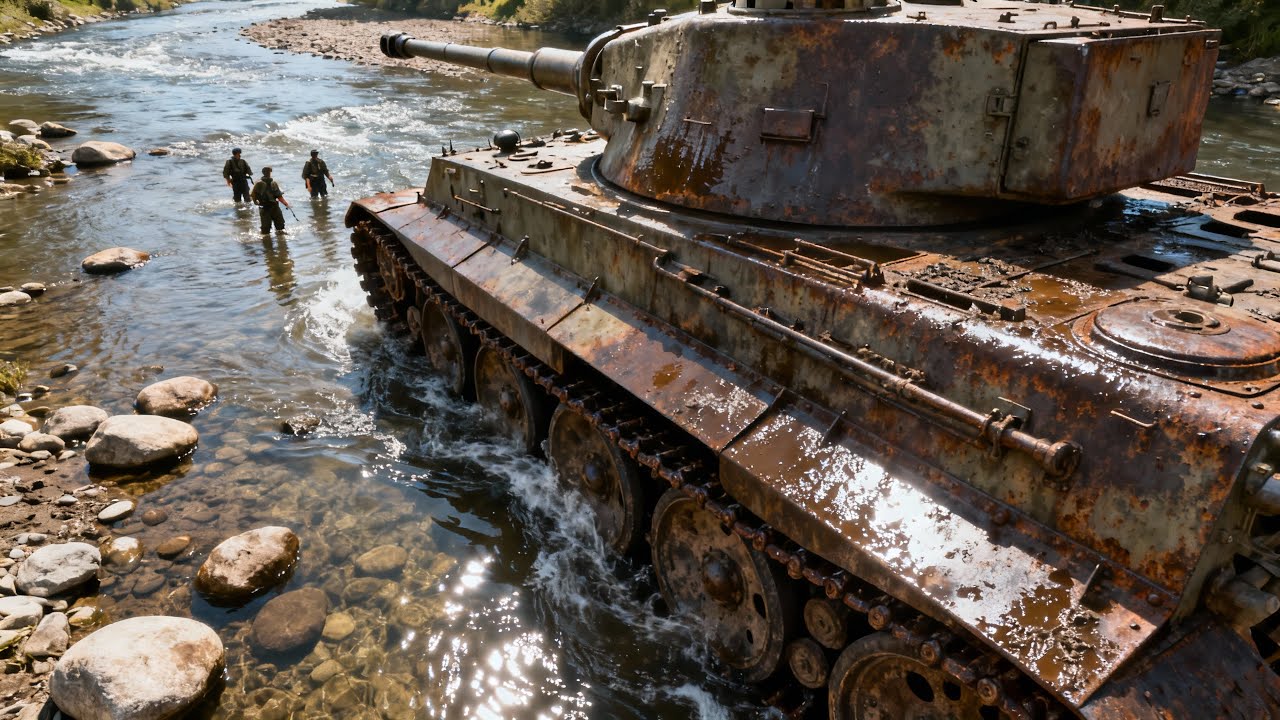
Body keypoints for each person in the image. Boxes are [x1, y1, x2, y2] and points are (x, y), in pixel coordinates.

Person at [251, 167, 291, 234]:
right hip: (265, 207)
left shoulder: (273, 183)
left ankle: (279, 238)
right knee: (266, 228)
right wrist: (256, 202)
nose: (269, 173)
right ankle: (266, 241)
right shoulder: (259, 184)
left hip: (274, 206)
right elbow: (253, 194)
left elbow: (279, 196)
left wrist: (286, 203)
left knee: (280, 225)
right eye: (268, 172)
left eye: (269, 172)